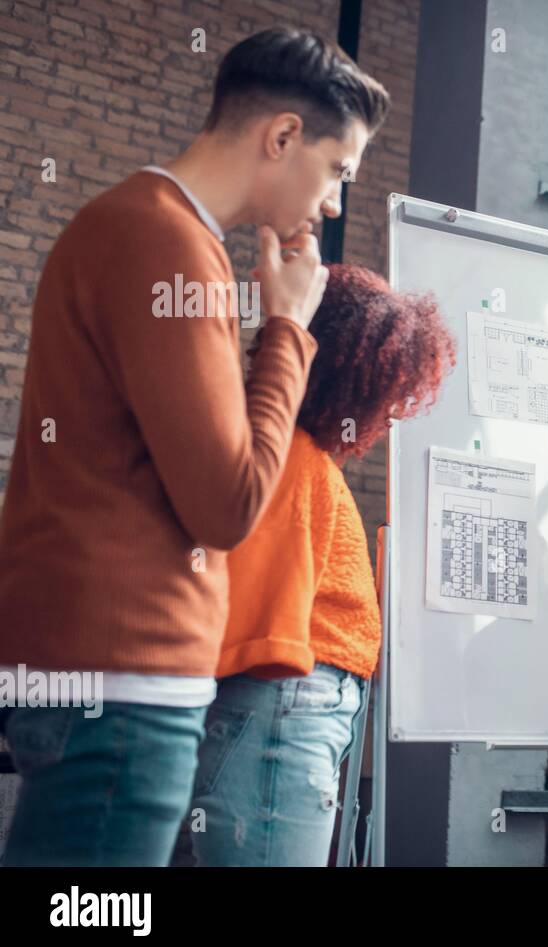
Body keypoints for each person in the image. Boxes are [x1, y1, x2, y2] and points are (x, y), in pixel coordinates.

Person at [0, 27, 390, 866]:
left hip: (97, 672)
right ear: (282, 136)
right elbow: (227, 504)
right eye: (337, 172)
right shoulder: (169, 242)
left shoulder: (135, 227)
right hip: (125, 680)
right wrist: (286, 325)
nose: (332, 205)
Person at [183, 263, 453, 866]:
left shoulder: (297, 459)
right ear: (358, 382)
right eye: (389, 396)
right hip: (281, 711)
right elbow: (255, 612)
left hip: (286, 714)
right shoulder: (288, 460)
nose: (386, 420)